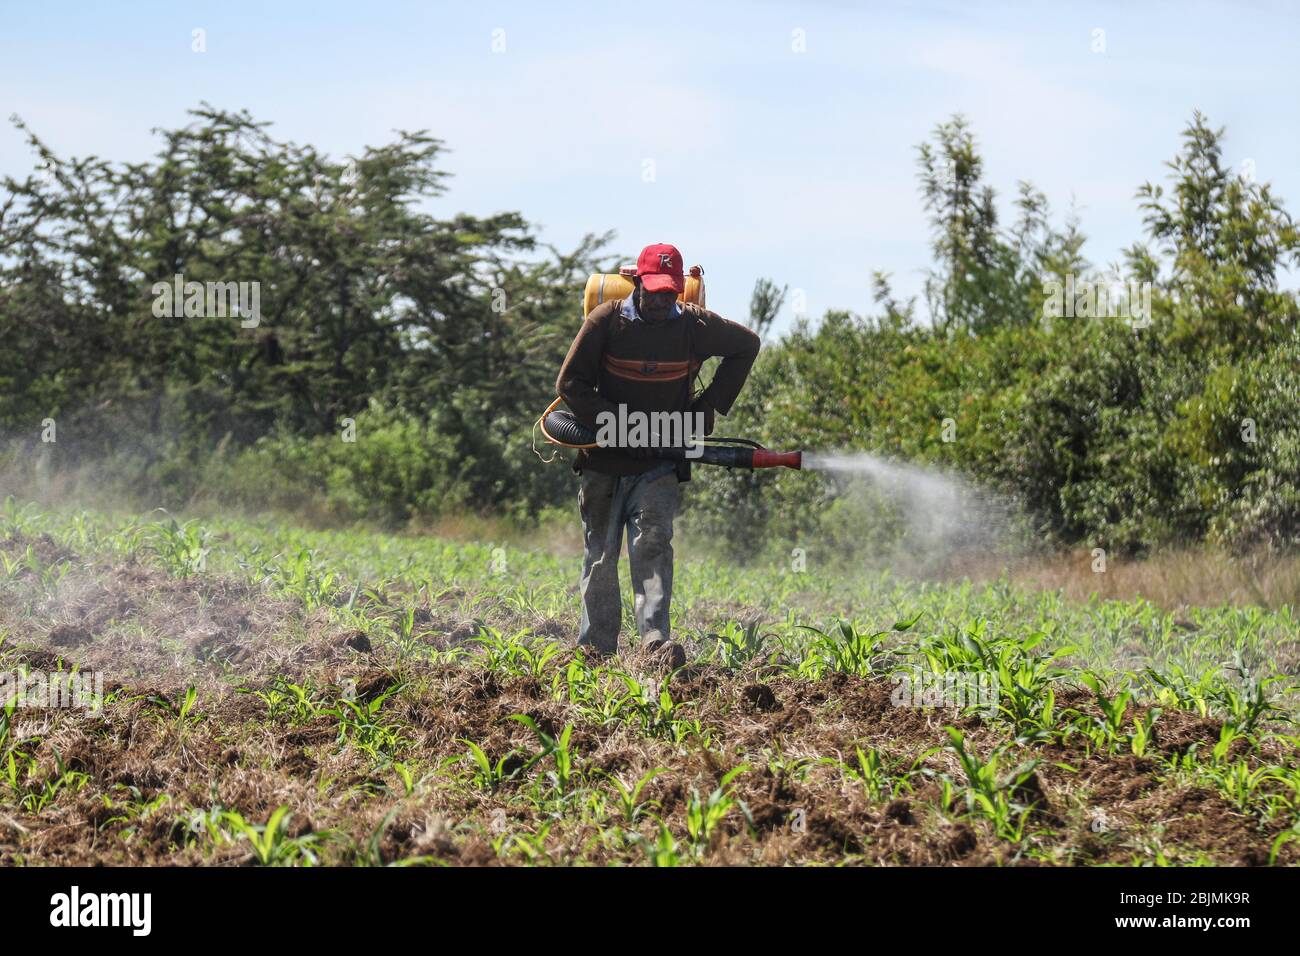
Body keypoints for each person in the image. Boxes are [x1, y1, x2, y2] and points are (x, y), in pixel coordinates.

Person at [555, 243, 761, 666]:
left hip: (659, 463)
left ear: (678, 290)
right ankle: (596, 649)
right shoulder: (605, 321)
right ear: (637, 285)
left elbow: (747, 345)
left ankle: (654, 642)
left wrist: (706, 410)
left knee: (652, 544)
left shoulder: (694, 325)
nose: (661, 301)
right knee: (602, 554)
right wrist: (616, 423)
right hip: (605, 461)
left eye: (669, 292)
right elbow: (570, 385)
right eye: (654, 292)